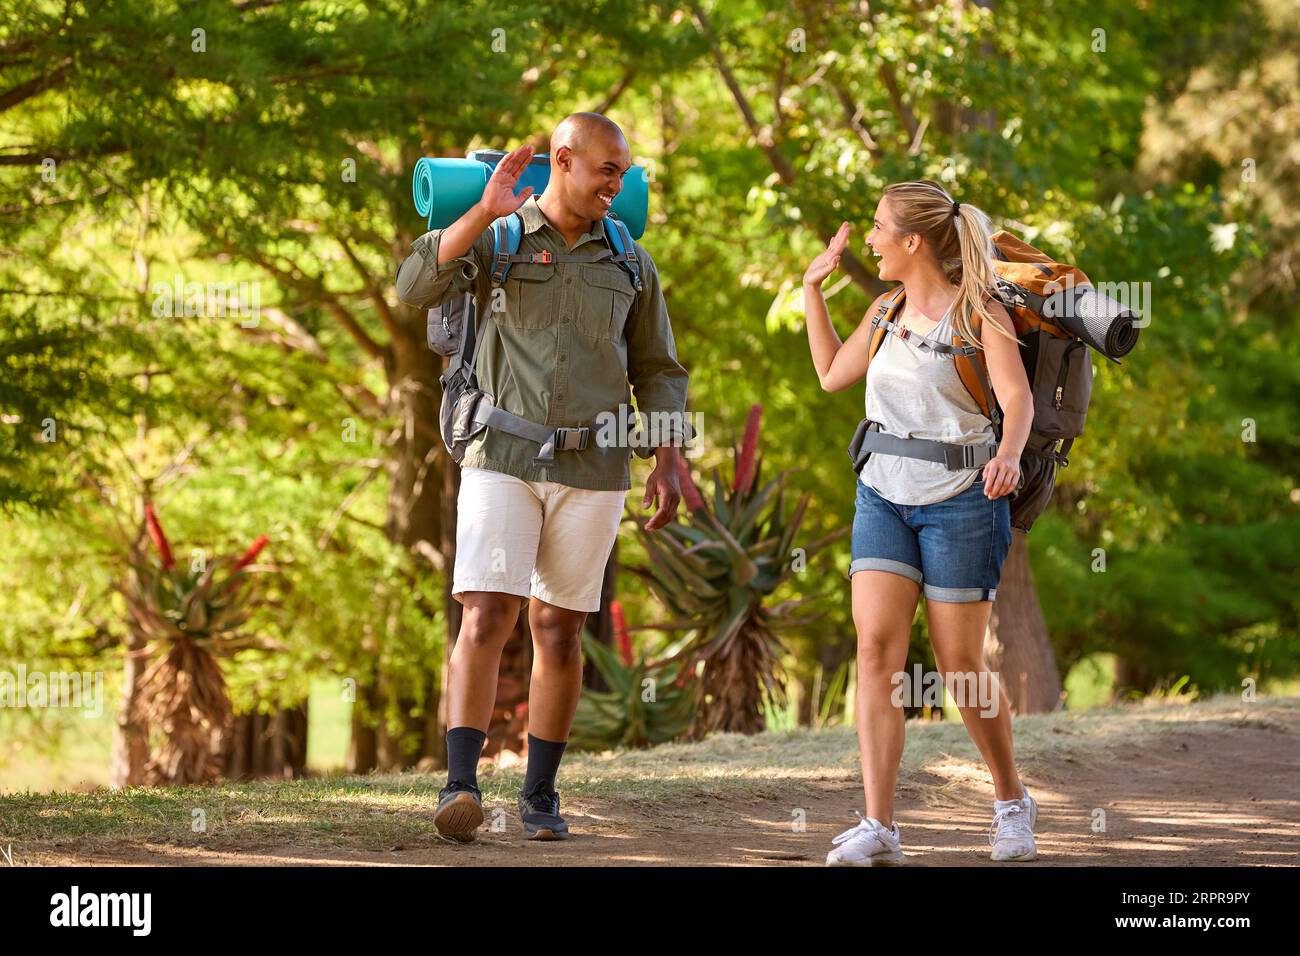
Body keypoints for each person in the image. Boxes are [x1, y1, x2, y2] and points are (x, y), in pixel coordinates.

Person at [395, 113, 689, 843]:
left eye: (623, 174)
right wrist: (479, 214)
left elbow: (659, 371)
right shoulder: (496, 241)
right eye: (606, 172)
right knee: (486, 616)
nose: (617, 186)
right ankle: (460, 785)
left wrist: (671, 455)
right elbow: (412, 285)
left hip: (597, 465)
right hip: (503, 458)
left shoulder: (628, 259)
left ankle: (539, 796)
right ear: (563, 160)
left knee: (559, 629)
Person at [802, 180, 1039, 865]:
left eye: (878, 228)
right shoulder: (883, 311)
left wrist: (1010, 455)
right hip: (882, 493)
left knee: (958, 666)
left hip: (963, 498)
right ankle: (879, 827)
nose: (869, 240)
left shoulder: (980, 315)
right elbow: (830, 375)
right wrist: (813, 291)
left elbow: (1016, 399)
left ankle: (1010, 800)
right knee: (875, 653)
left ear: (912, 242)